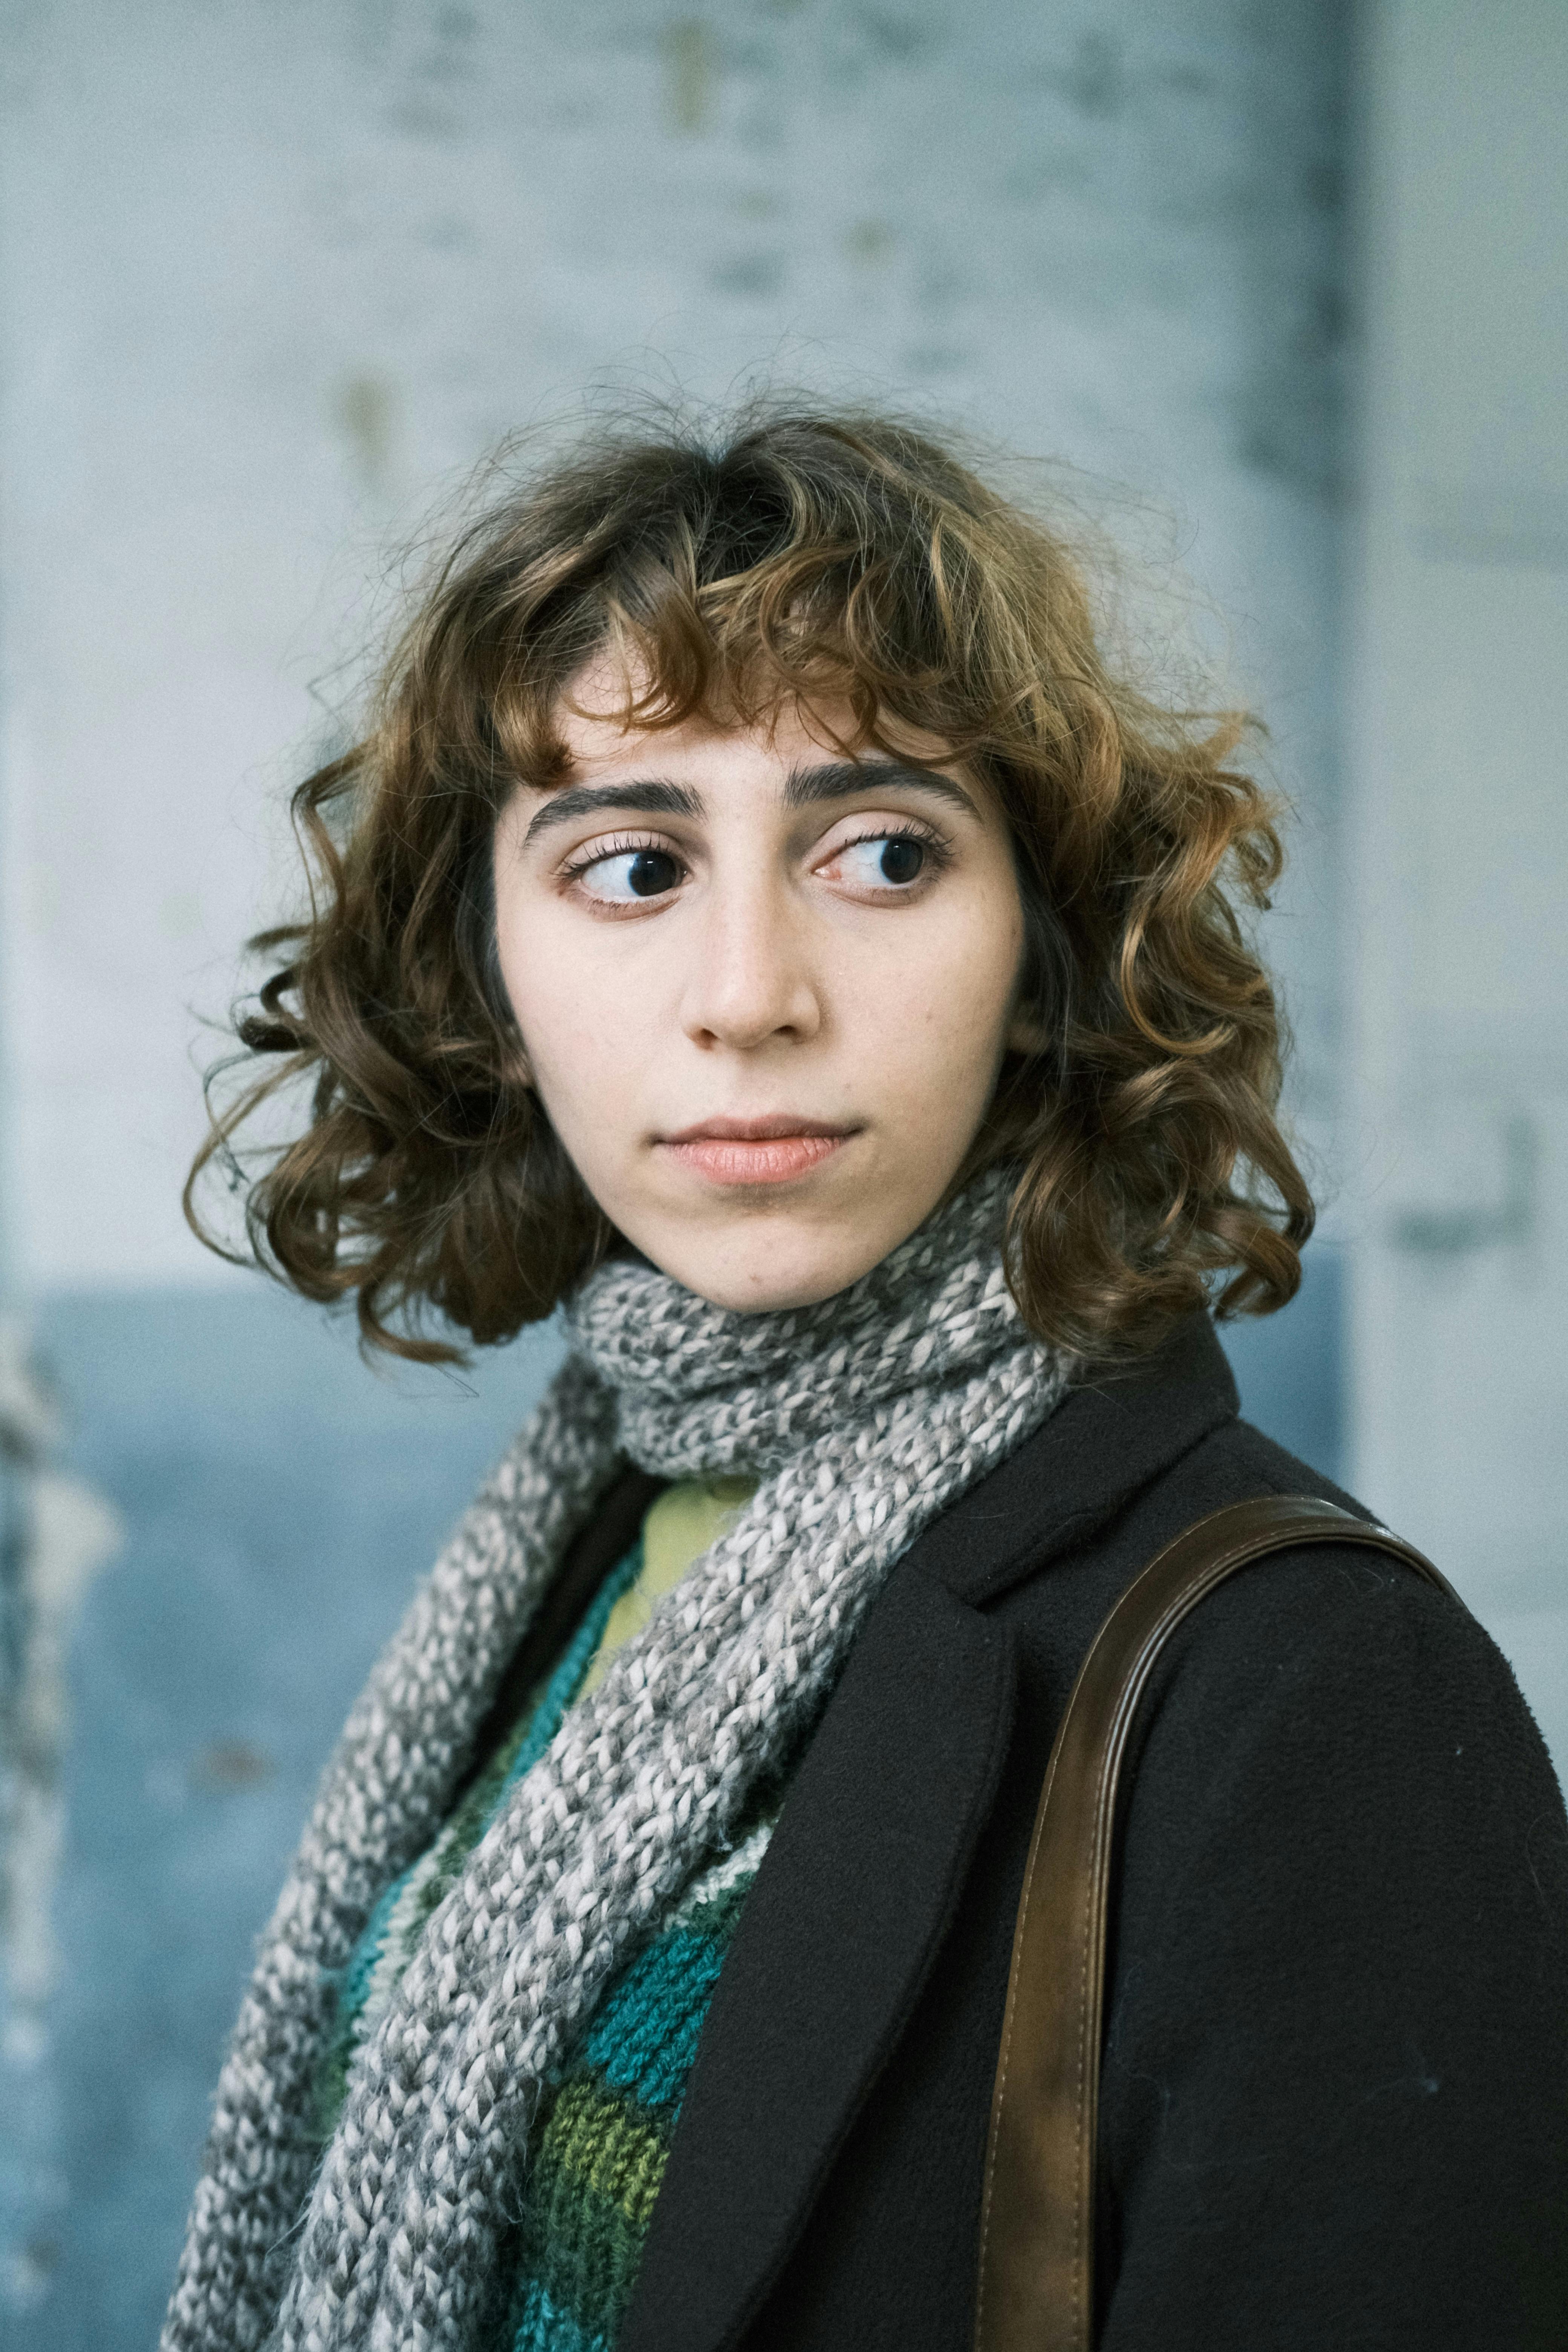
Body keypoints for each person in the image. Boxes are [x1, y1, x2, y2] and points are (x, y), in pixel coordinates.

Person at [164, 408, 1567, 2352]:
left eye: (884, 852)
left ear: (1048, 948)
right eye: (632, 865)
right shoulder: (591, 1529)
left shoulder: (1314, 1687)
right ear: (485, 962)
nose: (751, 989)